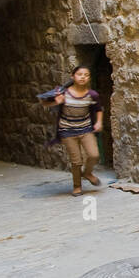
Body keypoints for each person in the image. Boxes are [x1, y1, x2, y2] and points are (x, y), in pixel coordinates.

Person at [40, 65, 102, 196]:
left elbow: (98, 108)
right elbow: (44, 102)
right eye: (79, 74)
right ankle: (77, 186)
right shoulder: (62, 93)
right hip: (67, 131)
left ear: (89, 78)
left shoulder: (92, 95)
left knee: (94, 155)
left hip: (85, 129)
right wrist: (56, 102)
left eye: (86, 75)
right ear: (73, 76)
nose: (83, 77)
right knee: (76, 160)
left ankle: (87, 173)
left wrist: (99, 122)